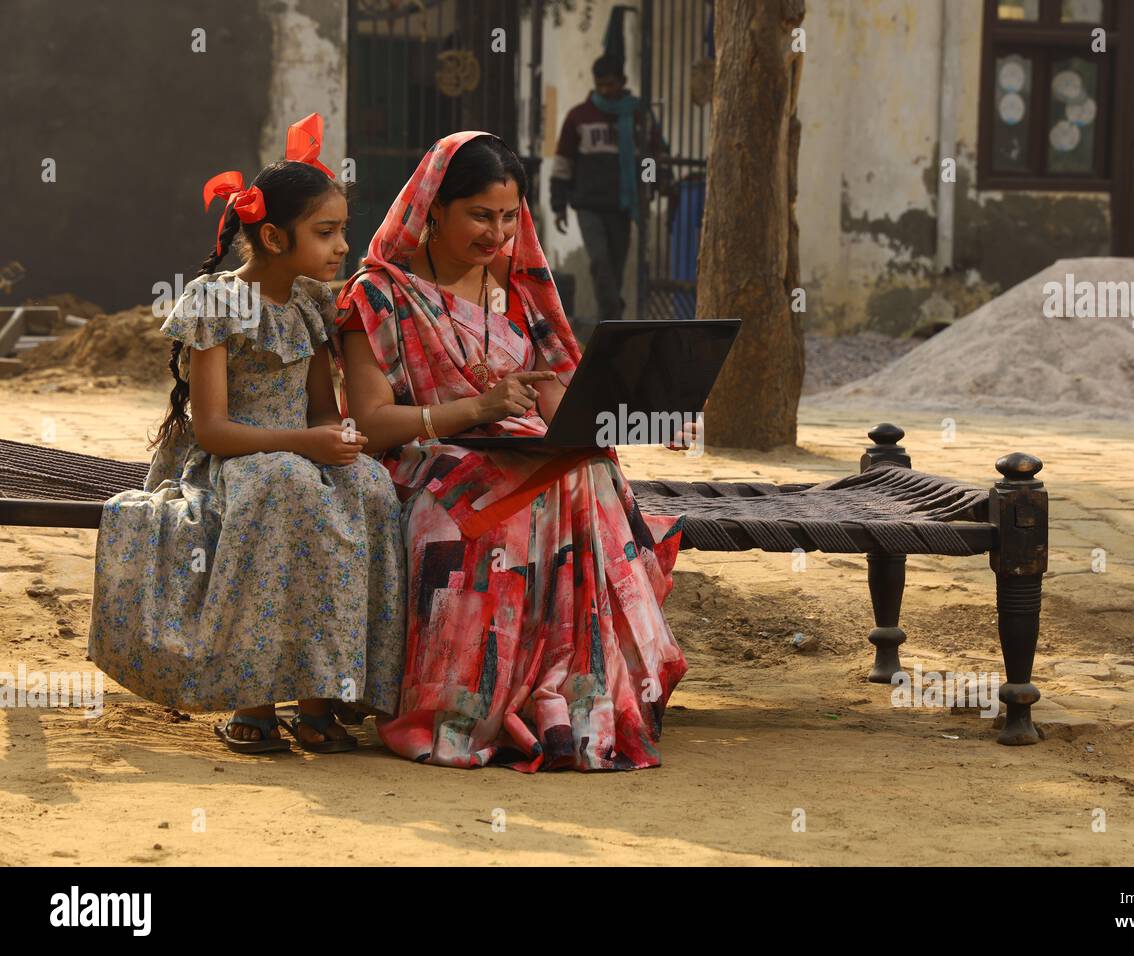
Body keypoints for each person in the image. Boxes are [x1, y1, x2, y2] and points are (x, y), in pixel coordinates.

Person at [335, 131, 692, 771]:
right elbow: (370, 422)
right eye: (479, 215)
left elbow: (554, 392)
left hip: (514, 453)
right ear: (432, 208)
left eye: (508, 217)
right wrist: (477, 410)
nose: (497, 234)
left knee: (582, 473)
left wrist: (615, 424)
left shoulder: (515, 289)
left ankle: (569, 689)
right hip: (423, 458)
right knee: (491, 510)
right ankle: (465, 710)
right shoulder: (377, 293)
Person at [88, 132, 406, 756]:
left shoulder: (313, 303)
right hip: (231, 462)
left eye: (344, 230)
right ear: (273, 237)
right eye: (327, 231)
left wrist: (337, 437)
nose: (344, 246)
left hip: (300, 455)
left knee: (369, 484)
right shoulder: (217, 302)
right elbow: (212, 429)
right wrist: (307, 445)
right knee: (283, 485)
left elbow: (323, 409)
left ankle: (321, 698)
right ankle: (253, 699)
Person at [550, 54, 671, 323]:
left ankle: (612, 319)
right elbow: (563, 162)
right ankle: (611, 316)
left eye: (611, 84)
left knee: (615, 266)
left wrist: (658, 182)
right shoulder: (579, 117)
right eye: (601, 85)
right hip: (588, 205)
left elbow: (655, 152)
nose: (606, 90)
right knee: (600, 262)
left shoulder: (638, 115)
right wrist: (558, 205)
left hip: (622, 205)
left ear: (623, 82)